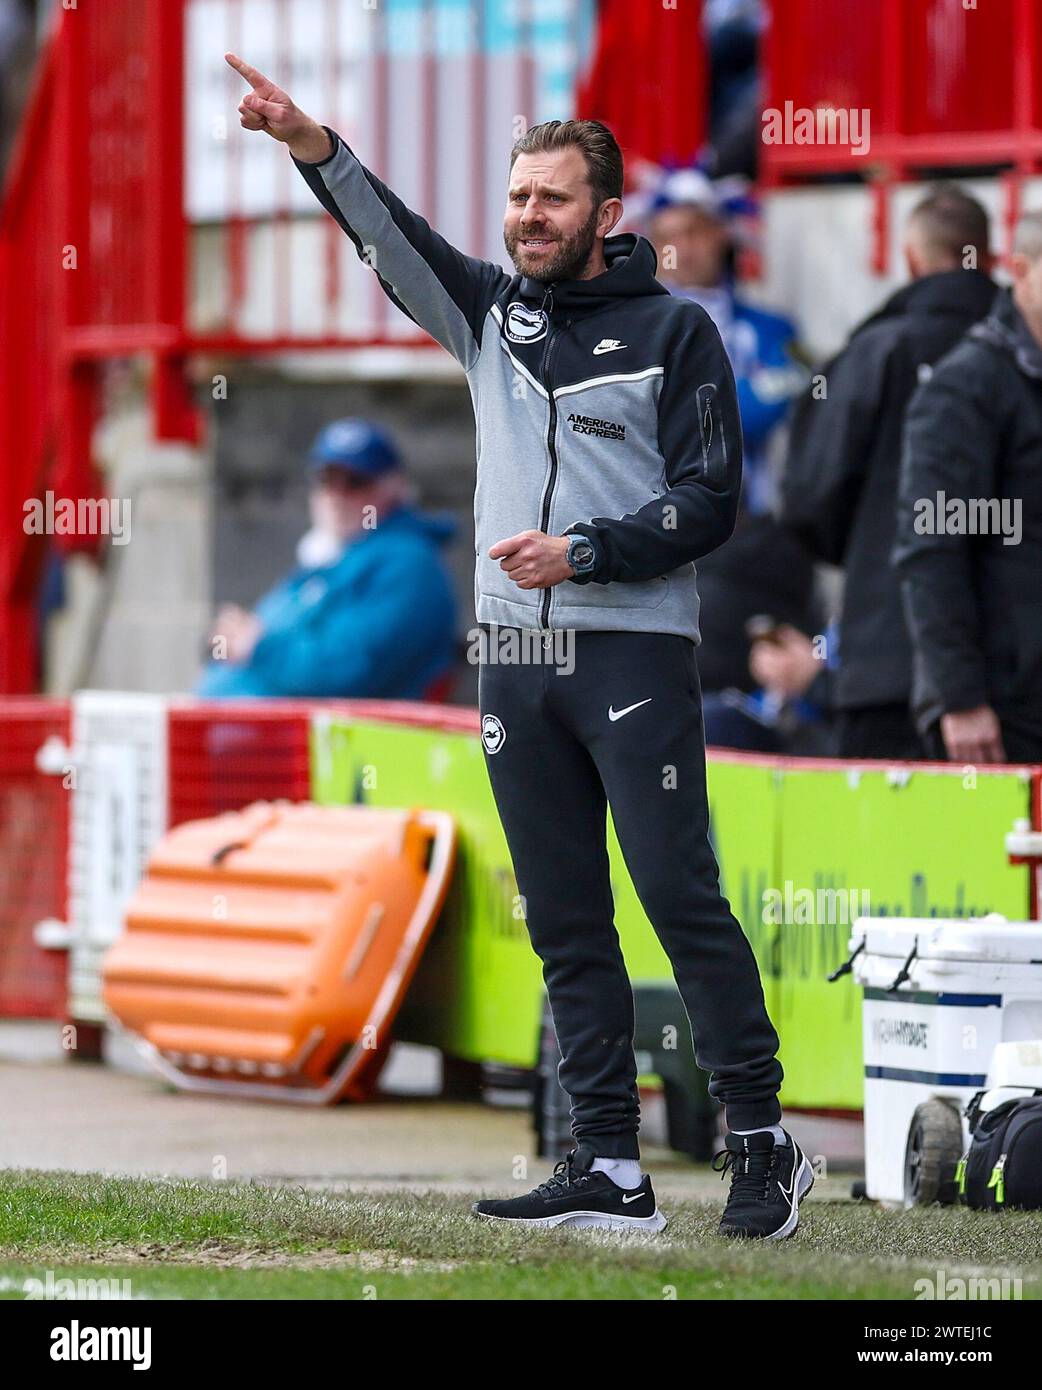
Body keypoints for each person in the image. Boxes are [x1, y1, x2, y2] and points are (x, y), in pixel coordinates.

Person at [227, 52, 813, 1242]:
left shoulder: (678, 331)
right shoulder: (491, 313)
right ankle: (607, 1160)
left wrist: (584, 551)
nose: (525, 218)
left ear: (604, 216)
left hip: (633, 657)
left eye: (549, 199)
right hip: (514, 662)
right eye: (515, 197)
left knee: (676, 895)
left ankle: (761, 1139)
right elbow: (393, 242)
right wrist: (310, 145)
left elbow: (712, 504)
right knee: (561, 914)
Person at [779, 184, 996, 759]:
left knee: (892, 848)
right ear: (988, 256)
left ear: (910, 259)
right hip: (1009, 674)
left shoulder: (872, 353)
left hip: (884, 668)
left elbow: (807, 498)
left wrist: (863, 549)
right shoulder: (1017, 353)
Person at [645, 168, 817, 745]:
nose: (683, 246)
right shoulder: (630, 325)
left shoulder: (769, 327)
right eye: (669, 232)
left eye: (697, 229)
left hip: (748, 537)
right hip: (658, 530)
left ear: (724, 235)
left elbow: (775, 401)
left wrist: (693, 414)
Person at [893, 211, 1042, 764]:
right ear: (1020, 272)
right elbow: (930, 546)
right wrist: (959, 697)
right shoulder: (968, 385)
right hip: (1005, 708)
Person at [195, 418, 457, 700]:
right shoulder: (329, 559)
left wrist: (257, 646)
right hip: (231, 726)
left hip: (325, 740)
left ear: (393, 489)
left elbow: (344, 671)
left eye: (355, 482)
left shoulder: (407, 565)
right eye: (326, 480)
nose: (337, 495)